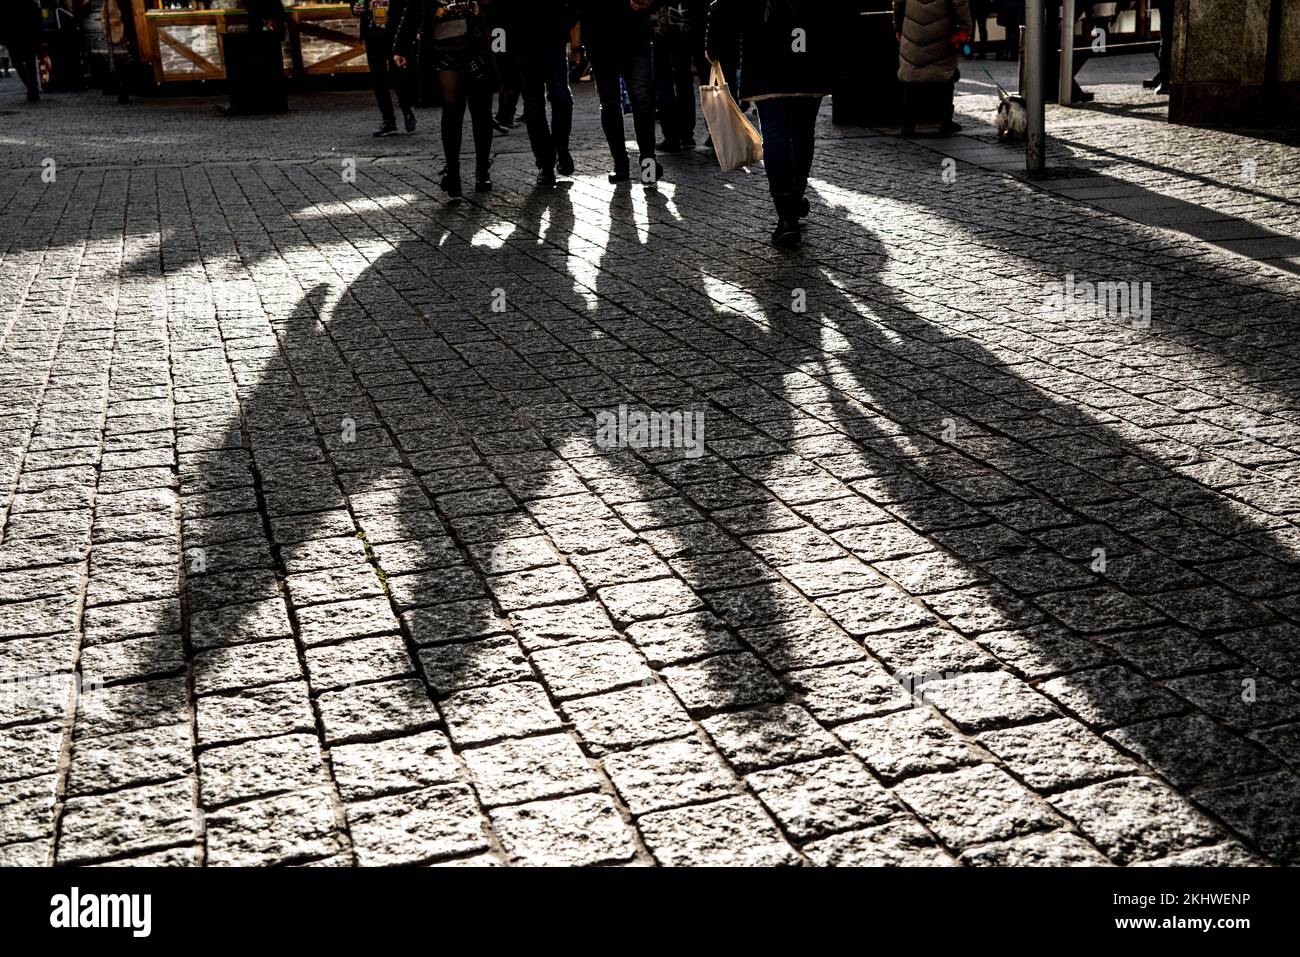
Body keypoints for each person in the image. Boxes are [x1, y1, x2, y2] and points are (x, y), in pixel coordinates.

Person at [706, 0, 832, 250]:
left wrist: (714, 45)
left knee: (776, 135)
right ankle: (794, 201)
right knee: (802, 133)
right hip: (809, 55)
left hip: (766, 55)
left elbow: (724, 7)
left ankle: (787, 215)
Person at [396, 0, 495, 197]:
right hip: (444, 47)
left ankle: (482, 170)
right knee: (452, 108)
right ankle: (453, 172)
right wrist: (401, 46)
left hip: (478, 44)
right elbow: (414, 9)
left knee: (482, 110)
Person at [578, 0, 663, 185]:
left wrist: (649, 3)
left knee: (642, 101)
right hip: (600, 38)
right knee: (612, 103)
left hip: (633, 36)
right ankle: (620, 163)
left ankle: (646, 163)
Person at [501, 0, 577, 185]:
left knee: (560, 98)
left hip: (552, 34)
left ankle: (561, 148)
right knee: (536, 104)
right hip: (524, 37)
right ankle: (546, 163)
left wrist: (567, 20)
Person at [893, 0, 972, 138]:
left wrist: (898, 27)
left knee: (911, 75)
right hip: (941, 32)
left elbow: (898, 3)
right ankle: (945, 122)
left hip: (912, 32)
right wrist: (965, 28)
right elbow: (960, 4)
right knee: (944, 75)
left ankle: (908, 124)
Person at [355, 0, 416, 136]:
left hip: (393, 35)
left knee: (398, 76)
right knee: (378, 79)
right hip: (372, 35)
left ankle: (407, 110)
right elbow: (355, 4)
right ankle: (388, 121)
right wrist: (356, 7)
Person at [651, 0, 702, 153]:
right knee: (683, 78)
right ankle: (686, 134)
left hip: (660, 25)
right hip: (683, 23)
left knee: (664, 81)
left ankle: (671, 136)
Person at [0, 0, 43, 102]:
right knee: (29, 64)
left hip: (14, 39)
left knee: (18, 63)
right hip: (27, 37)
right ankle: (32, 87)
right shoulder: (31, 3)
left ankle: (31, 86)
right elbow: (38, 20)